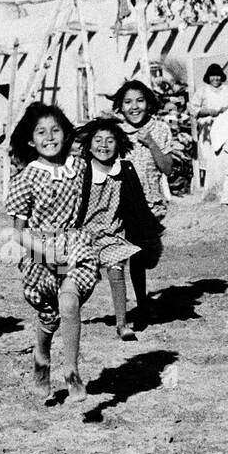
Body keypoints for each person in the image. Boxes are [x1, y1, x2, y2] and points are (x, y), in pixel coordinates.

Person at [5, 103, 100, 400]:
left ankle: (71, 372)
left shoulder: (81, 167)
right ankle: (42, 358)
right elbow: (17, 232)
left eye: (56, 130)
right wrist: (44, 252)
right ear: (31, 140)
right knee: (49, 316)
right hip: (40, 253)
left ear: (66, 133)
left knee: (69, 304)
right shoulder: (26, 178)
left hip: (74, 247)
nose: (50, 137)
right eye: (41, 132)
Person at [75, 118, 161, 342]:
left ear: (119, 144)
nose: (103, 145)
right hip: (83, 235)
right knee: (77, 279)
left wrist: (148, 231)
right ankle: (64, 314)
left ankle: (122, 324)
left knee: (116, 270)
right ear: (89, 144)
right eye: (98, 140)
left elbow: (137, 204)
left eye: (110, 140)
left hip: (113, 234)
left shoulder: (124, 170)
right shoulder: (82, 169)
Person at [113, 79, 175, 328]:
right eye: (128, 102)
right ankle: (137, 306)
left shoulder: (160, 129)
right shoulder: (115, 132)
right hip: (122, 201)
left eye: (139, 100)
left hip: (151, 202)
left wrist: (151, 143)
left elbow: (168, 169)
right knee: (133, 255)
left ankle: (141, 301)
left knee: (149, 257)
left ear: (148, 103)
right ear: (120, 106)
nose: (134, 107)